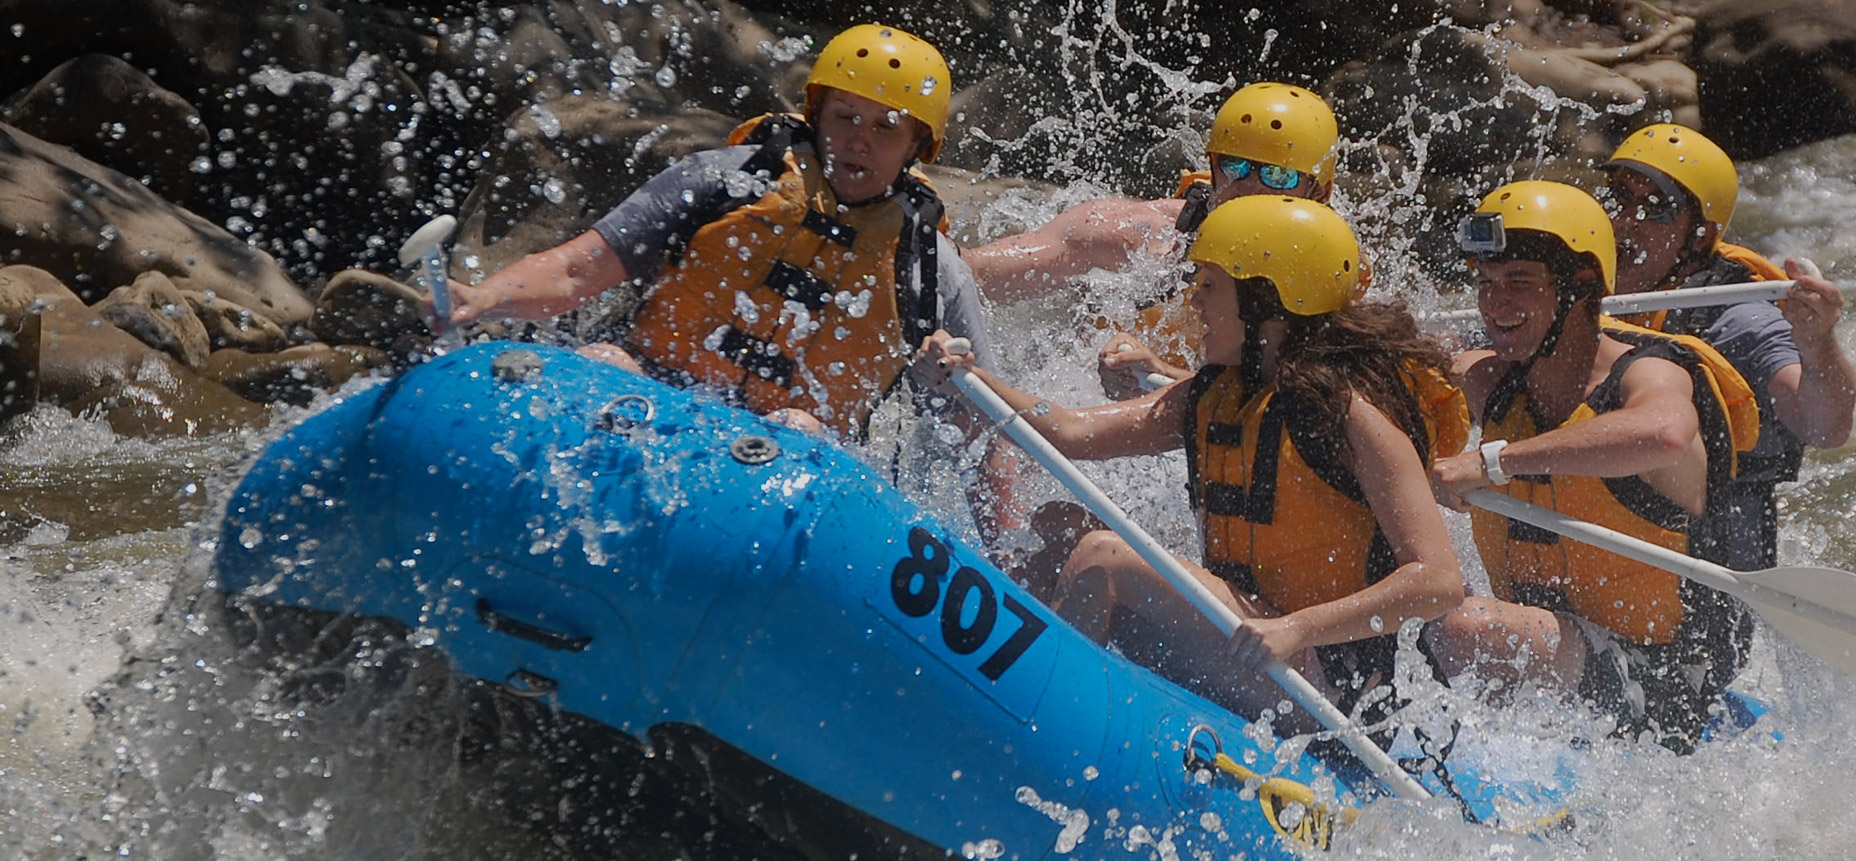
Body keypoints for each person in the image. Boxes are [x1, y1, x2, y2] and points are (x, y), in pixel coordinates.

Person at [915, 196, 1467, 733]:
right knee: (1058, 527)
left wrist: (1297, 629)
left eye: (1210, 285)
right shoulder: (1214, 391)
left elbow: (1440, 581)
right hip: (1246, 638)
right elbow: (1070, 431)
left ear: (1267, 304)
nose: (1194, 301)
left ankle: (1036, 724)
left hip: (1324, 681)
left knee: (1103, 557)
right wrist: (971, 380)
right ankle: (1002, 688)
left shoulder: (1354, 417)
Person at [443, 25, 1008, 498]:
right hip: (652, 397)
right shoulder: (729, 181)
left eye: (886, 126)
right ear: (816, 116)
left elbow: (983, 430)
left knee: (796, 427)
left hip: (792, 461)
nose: (860, 140)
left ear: (917, 146)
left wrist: (1009, 566)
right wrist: (482, 298)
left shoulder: (928, 266)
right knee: (604, 363)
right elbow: (577, 269)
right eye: (846, 117)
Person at [1427, 181, 1760, 751]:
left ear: (1582, 285)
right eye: (1485, 284)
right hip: (1560, 659)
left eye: (1519, 282)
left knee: (1466, 628)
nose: (1494, 305)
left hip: (1667, 682)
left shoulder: (1648, 375)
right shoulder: (1494, 380)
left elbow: (1664, 432)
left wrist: (1494, 461)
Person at [960, 83, 1340, 397]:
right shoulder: (1147, 238)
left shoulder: (1334, 284)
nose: (1249, 187)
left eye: (1278, 176)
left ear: (1318, 192)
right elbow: (969, 275)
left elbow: (1305, 407)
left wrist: (1164, 377)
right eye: (1235, 166)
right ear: (1212, 167)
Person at [1604, 123, 1856, 570]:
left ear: (1700, 235)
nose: (1626, 220)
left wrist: (1817, 343)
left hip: (1712, 569)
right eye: (1619, 198)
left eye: (1656, 209)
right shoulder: (1576, 287)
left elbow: (1825, 429)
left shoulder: (1738, 321)